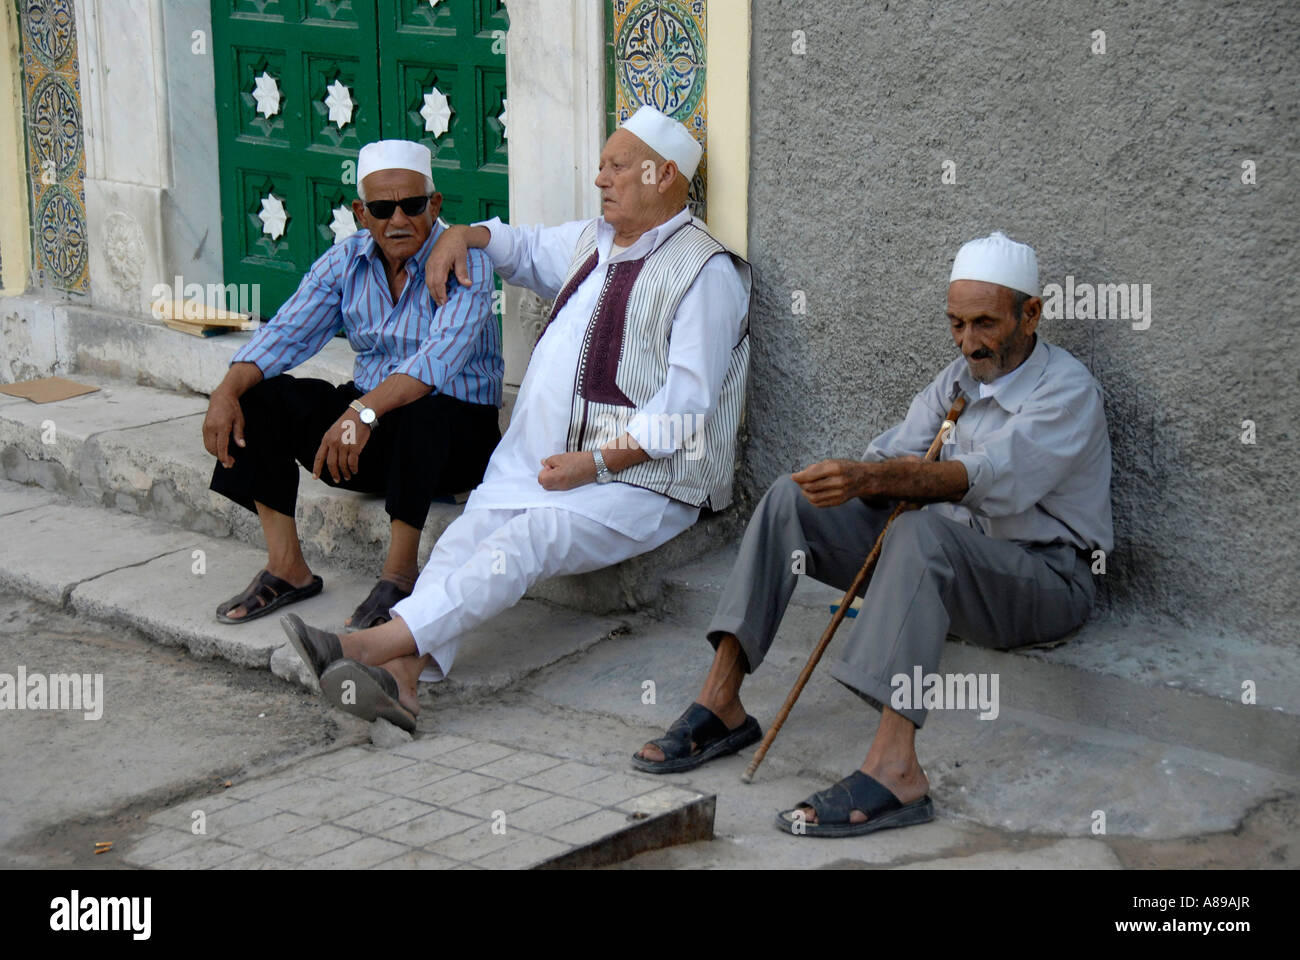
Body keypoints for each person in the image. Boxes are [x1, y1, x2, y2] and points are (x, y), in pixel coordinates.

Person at [280, 106, 753, 733]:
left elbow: (687, 410)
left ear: (663, 175)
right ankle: (403, 679)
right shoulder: (595, 241)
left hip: (642, 483)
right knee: (462, 542)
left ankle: (365, 647)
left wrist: (598, 460)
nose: (600, 179)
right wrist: (463, 234)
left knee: (527, 542)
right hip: (540, 466)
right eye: (602, 166)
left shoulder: (706, 273)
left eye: (616, 167)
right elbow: (521, 247)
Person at [634, 231, 1113, 839]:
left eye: (985, 323)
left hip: (1044, 583)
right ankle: (722, 702)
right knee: (791, 499)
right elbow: (891, 451)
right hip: (951, 573)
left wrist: (877, 475)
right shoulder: (958, 379)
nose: (969, 342)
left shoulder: (1067, 390)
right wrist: (863, 478)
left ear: (1032, 314)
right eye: (957, 325)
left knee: (919, 534)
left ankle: (896, 771)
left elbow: (986, 478)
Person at [203, 140, 501, 630]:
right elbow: (284, 334)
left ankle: (400, 577)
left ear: (436, 205)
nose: (398, 219)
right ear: (362, 213)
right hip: (372, 434)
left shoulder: (467, 263)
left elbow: (436, 363)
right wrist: (226, 390)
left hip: (457, 439)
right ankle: (287, 569)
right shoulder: (345, 262)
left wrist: (363, 412)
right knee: (259, 398)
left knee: (421, 409)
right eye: (383, 209)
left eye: (413, 205)